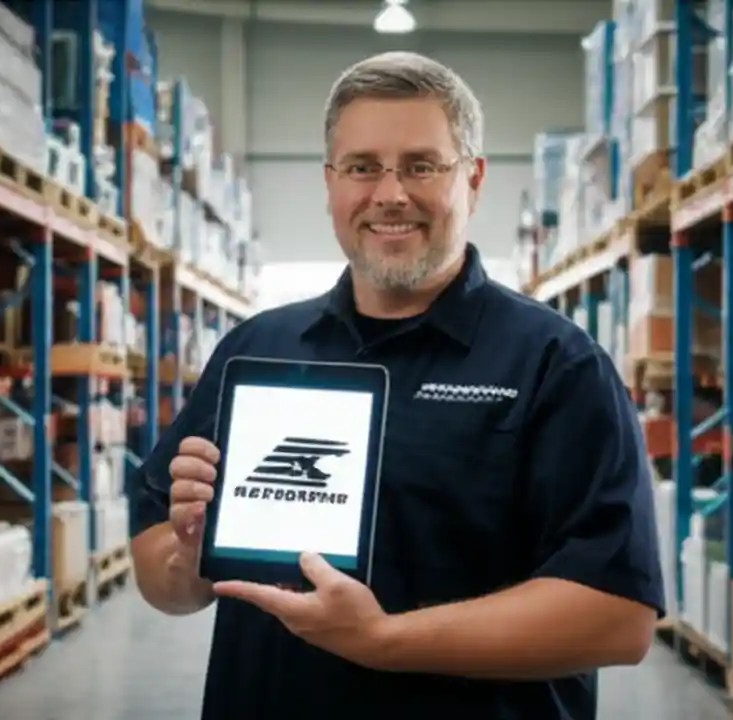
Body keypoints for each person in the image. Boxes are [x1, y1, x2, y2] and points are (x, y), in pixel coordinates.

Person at [129, 51, 664, 719]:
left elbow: (618, 616)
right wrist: (190, 554)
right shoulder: (257, 350)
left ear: (472, 179)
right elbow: (162, 576)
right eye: (362, 168)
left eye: (420, 165)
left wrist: (382, 641)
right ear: (330, 184)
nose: (389, 194)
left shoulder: (556, 365)